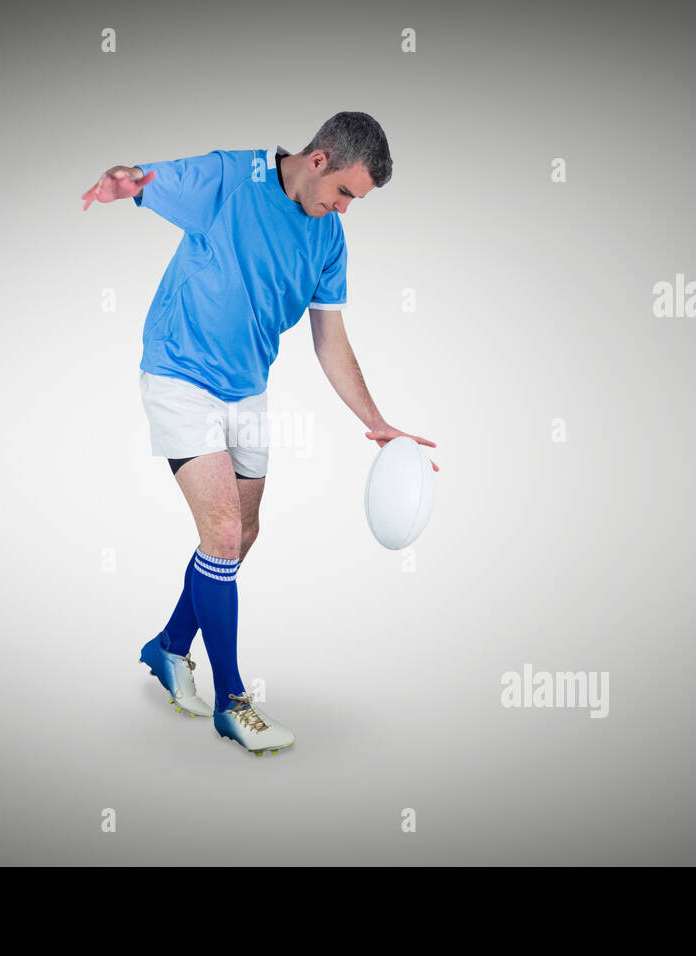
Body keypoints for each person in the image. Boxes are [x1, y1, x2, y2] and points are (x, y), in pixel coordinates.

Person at [80, 111, 437, 756]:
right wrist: (124, 182)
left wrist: (376, 422)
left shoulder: (328, 238)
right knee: (219, 535)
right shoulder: (229, 179)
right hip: (180, 371)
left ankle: (166, 649)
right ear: (320, 159)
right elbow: (148, 179)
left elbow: (329, 337)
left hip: (246, 386)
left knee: (243, 535)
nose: (346, 209)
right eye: (347, 193)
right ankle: (232, 701)